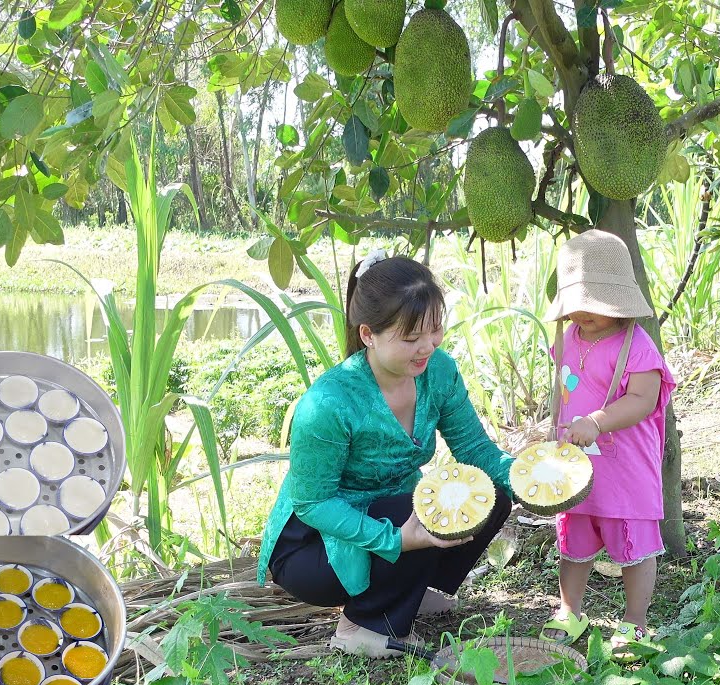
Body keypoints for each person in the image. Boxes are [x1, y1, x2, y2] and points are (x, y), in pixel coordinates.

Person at [255, 250, 515, 658]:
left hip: (391, 512)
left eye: (434, 331)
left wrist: (523, 475)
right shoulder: (327, 404)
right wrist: (395, 540)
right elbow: (312, 503)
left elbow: (474, 449)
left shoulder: (438, 371)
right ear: (368, 335)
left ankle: (409, 593)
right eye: (410, 338)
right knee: (413, 511)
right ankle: (359, 625)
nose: (426, 347)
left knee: (490, 494)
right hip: (311, 546)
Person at [537, 229, 676, 651]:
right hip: (579, 468)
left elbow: (644, 399)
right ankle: (569, 609)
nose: (582, 313)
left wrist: (598, 420)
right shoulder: (567, 340)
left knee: (631, 541)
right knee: (574, 536)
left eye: (593, 305)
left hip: (625, 469)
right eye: (575, 305)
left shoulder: (637, 346)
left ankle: (634, 621)